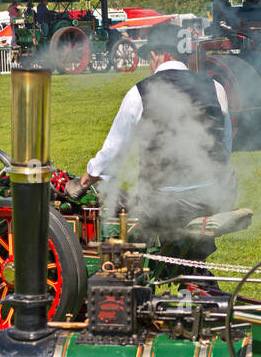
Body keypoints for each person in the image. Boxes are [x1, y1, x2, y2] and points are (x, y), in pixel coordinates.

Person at [72, 22, 237, 264]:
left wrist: (86, 180)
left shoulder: (139, 93)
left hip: (163, 202)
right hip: (212, 196)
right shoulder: (216, 87)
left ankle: (122, 268)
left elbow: (113, 151)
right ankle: (191, 269)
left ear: (157, 55)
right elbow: (225, 144)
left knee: (118, 210)